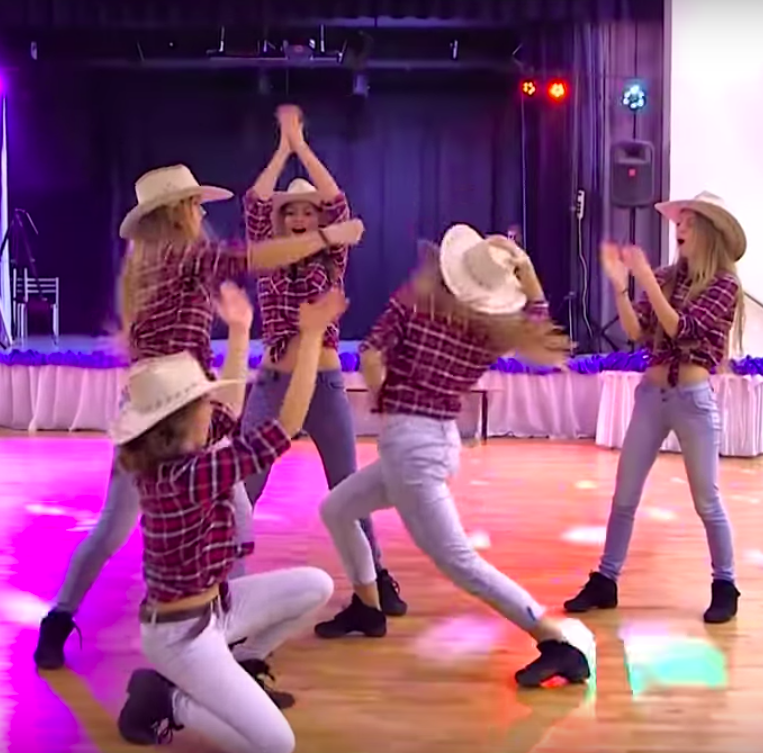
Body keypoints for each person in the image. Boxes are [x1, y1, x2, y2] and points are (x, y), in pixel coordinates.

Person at [34, 164, 364, 672]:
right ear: (178, 212)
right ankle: (235, 648)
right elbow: (254, 256)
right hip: (176, 411)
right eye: (194, 203)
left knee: (121, 527)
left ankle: (59, 624)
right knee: (222, 518)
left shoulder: (144, 263)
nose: (202, 211)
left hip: (159, 406)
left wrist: (236, 336)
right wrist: (328, 234)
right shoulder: (183, 255)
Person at [315, 225, 593, 688]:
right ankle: (368, 606)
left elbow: (370, 354)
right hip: (433, 443)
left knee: (458, 561)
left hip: (413, 449)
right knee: (336, 509)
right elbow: (539, 317)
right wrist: (525, 268)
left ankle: (554, 642)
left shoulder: (412, 305)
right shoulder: (488, 330)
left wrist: (384, 390)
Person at [114, 288, 346, 753]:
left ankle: (242, 660)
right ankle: (169, 699)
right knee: (275, 745)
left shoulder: (178, 452)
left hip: (216, 610)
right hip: (181, 639)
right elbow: (283, 428)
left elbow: (232, 410)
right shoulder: (187, 474)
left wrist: (240, 330)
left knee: (315, 586)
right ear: (180, 423)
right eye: (202, 403)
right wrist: (314, 337)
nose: (211, 407)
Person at [240, 104, 407, 617]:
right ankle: (226, 580)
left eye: (306, 212)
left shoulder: (333, 255)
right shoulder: (266, 250)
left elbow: (337, 201)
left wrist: (303, 146)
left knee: (346, 488)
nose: (297, 216)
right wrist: (282, 146)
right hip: (273, 381)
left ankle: (377, 582)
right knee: (244, 484)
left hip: (326, 382)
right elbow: (253, 201)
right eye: (290, 211)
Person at [564, 191, 745, 624]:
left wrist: (645, 280)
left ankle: (725, 584)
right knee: (624, 495)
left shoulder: (724, 285)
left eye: (687, 224)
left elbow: (683, 330)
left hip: (693, 402)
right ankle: (605, 580)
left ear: (709, 233)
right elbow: (636, 331)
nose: (678, 230)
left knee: (707, 500)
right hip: (651, 396)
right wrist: (621, 287)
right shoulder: (663, 276)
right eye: (678, 223)